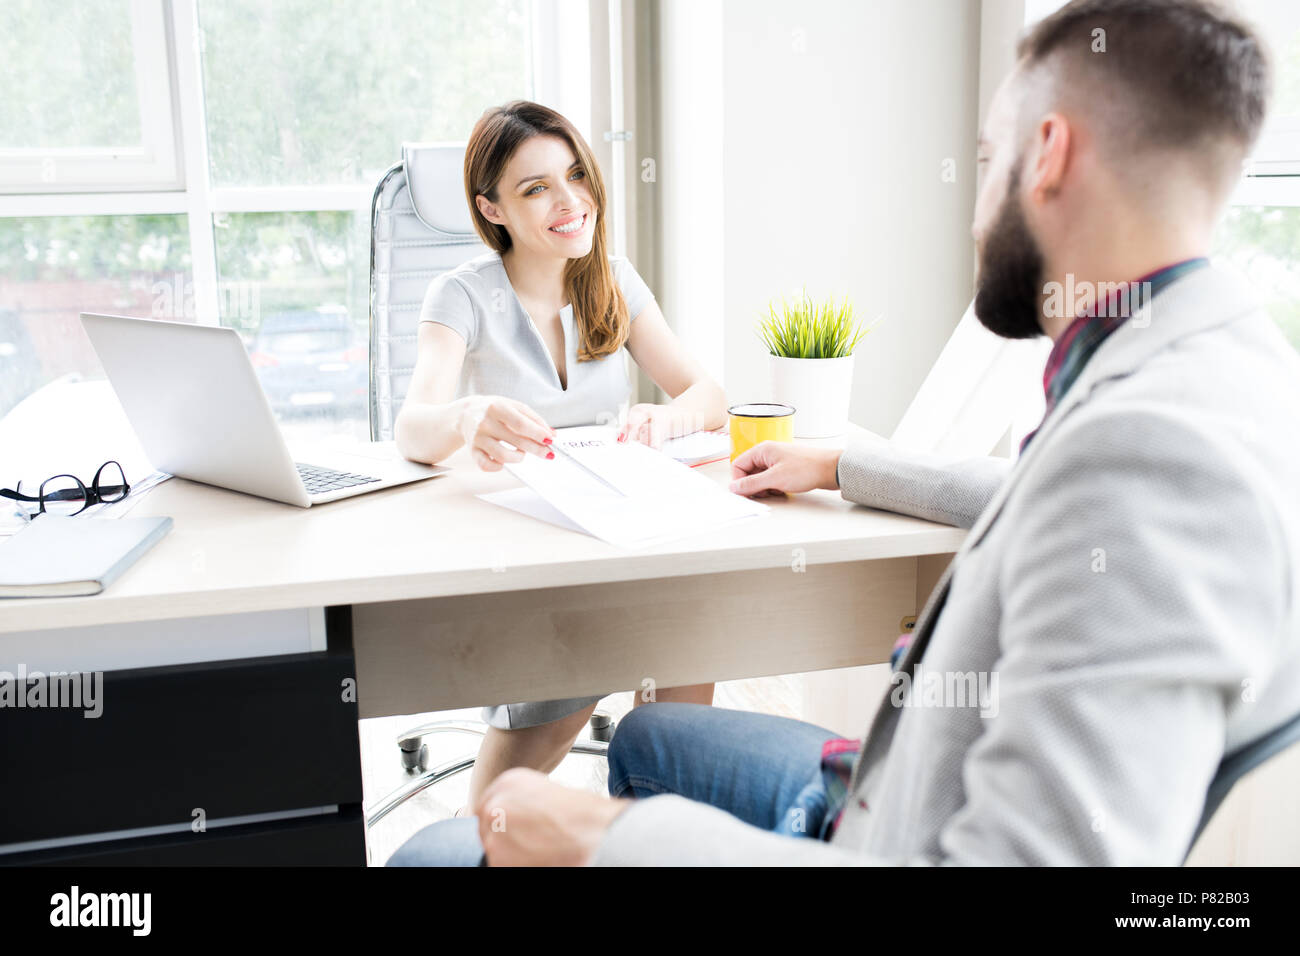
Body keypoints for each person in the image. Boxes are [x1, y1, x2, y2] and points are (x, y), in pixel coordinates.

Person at [389, 0, 1300, 866]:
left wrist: (601, 840)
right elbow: (1045, 497)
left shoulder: (1157, 453)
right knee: (650, 730)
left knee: (439, 851)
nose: (975, 207)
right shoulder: (1209, 366)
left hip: (892, 830)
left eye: (986, 161)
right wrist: (845, 459)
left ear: (1049, 155)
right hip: (890, 786)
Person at [393, 100, 724, 814]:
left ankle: (655, 831)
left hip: (629, 536)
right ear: (493, 208)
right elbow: (412, 430)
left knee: (689, 671)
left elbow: (707, 393)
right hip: (534, 566)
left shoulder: (614, 280)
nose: (570, 201)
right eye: (535, 187)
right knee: (496, 814)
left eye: (576, 174)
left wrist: (667, 416)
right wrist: (465, 415)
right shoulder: (461, 297)